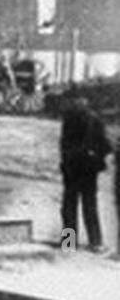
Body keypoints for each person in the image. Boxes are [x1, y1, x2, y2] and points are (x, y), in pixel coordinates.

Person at [59, 92, 110, 252]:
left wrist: (66, 161)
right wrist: (98, 157)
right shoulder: (96, 120)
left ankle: (69, 243)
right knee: (89, 205)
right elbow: (105, 145)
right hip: (88, 169)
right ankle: (95, 242)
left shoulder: (68, 119)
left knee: (69, 205)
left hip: (72, 167)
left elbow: (63, 144)